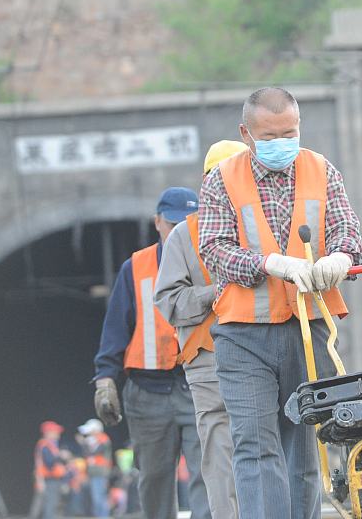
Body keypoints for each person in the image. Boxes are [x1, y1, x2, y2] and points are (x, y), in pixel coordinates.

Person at [198, 87, 362, 519]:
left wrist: (340, 257)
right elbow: (214, 248)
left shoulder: (322, 170)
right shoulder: (222, 179)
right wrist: (270, 263)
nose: (281, 144)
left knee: (301, 445)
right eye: (269, 136)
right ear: (246, 133)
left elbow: (346, 228)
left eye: (290, 132)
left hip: (308, 329)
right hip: (244, 336)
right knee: (255, 445)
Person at [92, 188, 211, 519]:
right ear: (157, 222)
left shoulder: (210, 261)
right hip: (147, 392)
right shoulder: (136, 267)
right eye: (172, 224)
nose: (179, 232)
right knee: (154, 477)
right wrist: (106, 380)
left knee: (207, 472)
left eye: (187, 224)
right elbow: (115, 328)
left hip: (197, 383)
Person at [155, 140, 248, 519]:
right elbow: (168, 301)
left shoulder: (266, 225)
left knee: (272, 439)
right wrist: (215, 294)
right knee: (220, 446)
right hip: (208, 357)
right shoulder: (183, 236)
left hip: (266, 348)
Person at [77, 420, 112, 518]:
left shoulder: (104, 440)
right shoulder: (93, 441)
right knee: (95, 498)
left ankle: (103, 517)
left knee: (99, 498)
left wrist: (83, 443)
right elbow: (86, 455)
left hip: (100, 472)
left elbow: (94, 452)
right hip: (93, 473)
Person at [33, 422, 69, 519]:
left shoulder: (52, 445)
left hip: (52, 479)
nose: (58, 433)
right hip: (48, 479)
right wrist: (60, 456)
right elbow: (49, 462)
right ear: (48, 433)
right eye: (55, 431)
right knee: (49, 505)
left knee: (49, 504)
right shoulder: (44, 445)